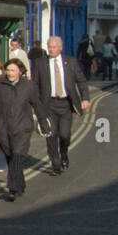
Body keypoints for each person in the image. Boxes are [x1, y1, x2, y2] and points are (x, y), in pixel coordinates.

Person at [0, 58, 47, 201]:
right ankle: (20, 184)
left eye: (13, 70)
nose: (10, 73)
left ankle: (13, 188)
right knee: (11, 157)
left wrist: (43, 122)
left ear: (20, 71)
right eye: (8, 70)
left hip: (22, 127)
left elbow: (37, 105)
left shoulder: (29, 86)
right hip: (3, 128)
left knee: (16, 154)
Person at [35, 35, 90, 174]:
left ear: (60, 48)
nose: (51, 50)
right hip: (49, 105)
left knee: (65, 135)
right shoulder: (40, 63)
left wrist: (85, 98)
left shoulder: (70, 62)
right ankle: (56, 163)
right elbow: (34, 86)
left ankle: (64, 153)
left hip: (66, 104)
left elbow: (81, 81)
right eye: (49, 47)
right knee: (51, 135)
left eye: (54, 47)